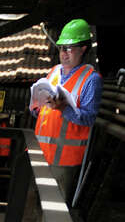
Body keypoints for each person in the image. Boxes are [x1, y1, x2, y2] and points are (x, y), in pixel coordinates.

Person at [33, 18, 101, 201]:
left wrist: (64, 109)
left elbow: (89, 119)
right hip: (39, 153)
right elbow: (45, 110)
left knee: (54, 210)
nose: (64, 53)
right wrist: (36, 108)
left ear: (83, 48)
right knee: (32, 202)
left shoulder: (91, 79)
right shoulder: (54, 71)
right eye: (62, 48)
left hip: (63, 159)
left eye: (69, 49)